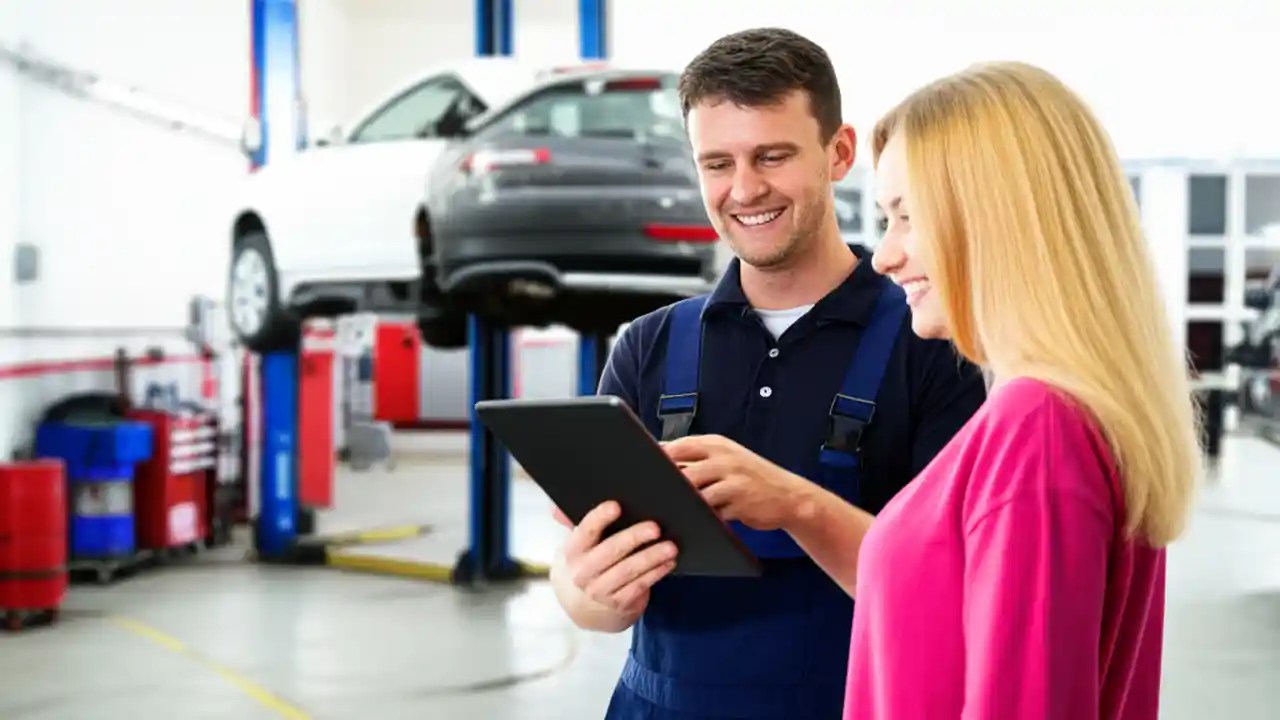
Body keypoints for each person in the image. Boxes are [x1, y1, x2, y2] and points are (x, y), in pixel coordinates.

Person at [546, 28, 988, 719]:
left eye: (772, 156)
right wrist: (591, 592)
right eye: (716, 163)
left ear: (839, 152)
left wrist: (797, 503)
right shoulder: (647, 346)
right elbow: (582, 587)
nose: (744, 189)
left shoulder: (933, 345)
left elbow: (955, 588)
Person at [821, 62, 1197, 718]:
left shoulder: (1039, 428)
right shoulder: (1069, 416)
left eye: (907, 216)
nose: (883, 256)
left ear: (995, 219)